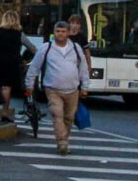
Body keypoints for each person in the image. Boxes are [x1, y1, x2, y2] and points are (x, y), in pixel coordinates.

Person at [25, 20, 92, 155]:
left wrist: (85, 86)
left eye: (63, 31)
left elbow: (83, 68)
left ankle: (64, 139)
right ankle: (61, 141)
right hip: (53, 88)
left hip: (72, 89)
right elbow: (34, 67)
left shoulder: (76, 48)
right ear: (54, 33)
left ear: (68, 33)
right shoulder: (46, 48)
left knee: (69, 117)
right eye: (57, 31)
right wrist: (29, 84)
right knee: (57, 114)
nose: (60, 34)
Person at [0, 10, 26, 119]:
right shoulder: (19, 34)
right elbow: (32, 47)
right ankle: (5, 112)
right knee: (6, 88)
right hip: (12, 62)